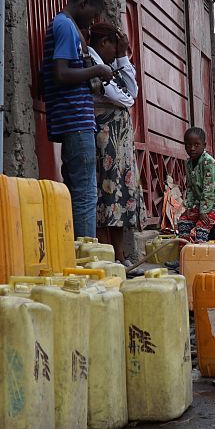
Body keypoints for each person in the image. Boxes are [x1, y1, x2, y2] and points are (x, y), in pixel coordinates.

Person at [39, 0, 112, 239]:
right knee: (85, 193)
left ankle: (75, 251)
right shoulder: (65, 26)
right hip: (76, 120)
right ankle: (87, 254)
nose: (92, 22)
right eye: (92, 16)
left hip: (72, 119)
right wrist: (98, 69)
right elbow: (61, 73)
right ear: (83, 4)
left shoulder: (63, 26)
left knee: (76, 191)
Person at [87, 22, 145, 263]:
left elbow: (131, 91)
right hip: (104, 142)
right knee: (105, 195)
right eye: (116, 46)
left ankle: (119, 256)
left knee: (119, 197)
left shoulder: (110, 66)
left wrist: (122, 58)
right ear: (104, 44)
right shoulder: (92, 63)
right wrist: (122, 57)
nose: (118, 51)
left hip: (118, 145)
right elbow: (125, 98)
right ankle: (108, 255)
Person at [177, 127, 215, 243]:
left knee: (202, 227)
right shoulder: (189, 163)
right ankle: (183, 257)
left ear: (204, 145)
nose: (192, 149)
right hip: (202, 203)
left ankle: (201, 258)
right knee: (183, 222)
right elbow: (190, 187)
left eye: (196, 145)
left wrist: (203, 211)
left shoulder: (208, 162)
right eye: (188, 145)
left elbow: (208, 188)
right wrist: (190, 207)